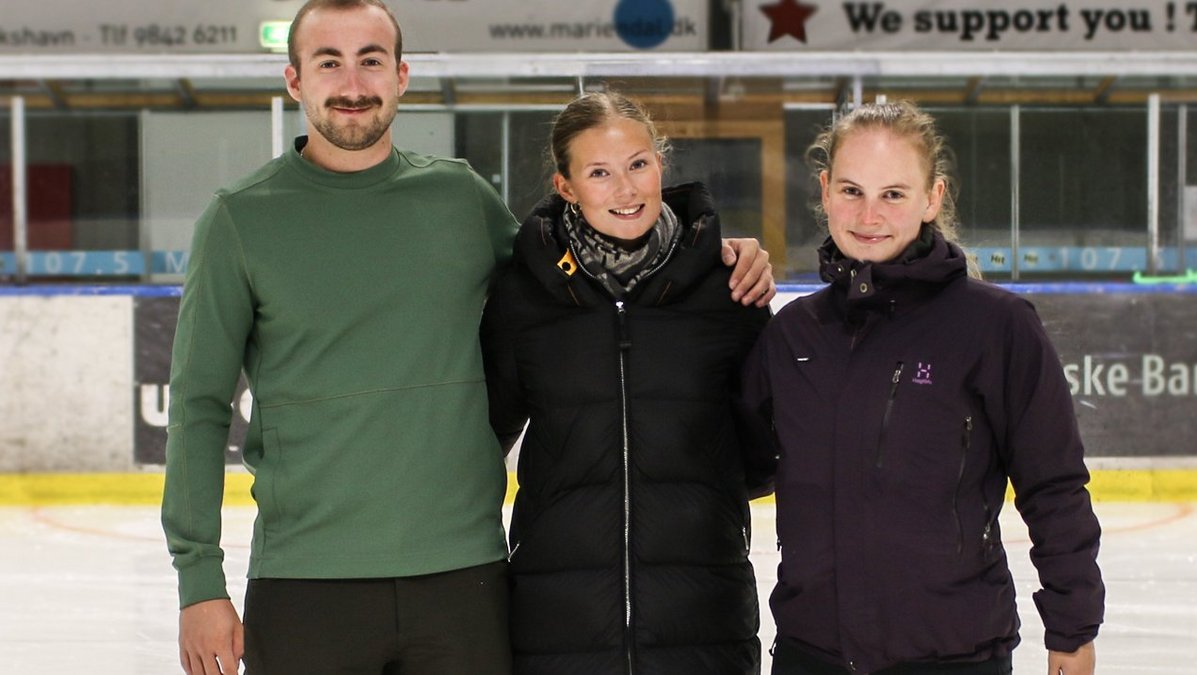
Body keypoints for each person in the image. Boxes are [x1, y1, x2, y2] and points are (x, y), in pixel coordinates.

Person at [161, 2, 776, 674]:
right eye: (328, 62)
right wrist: (199, 580)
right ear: (293, 80)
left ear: (401, 76)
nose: (353, 83)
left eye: (370, 60)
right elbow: (197, 405)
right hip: (305, 580)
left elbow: (583, 279)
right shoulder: (239, 220)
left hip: (463, 581)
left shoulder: (458, 197)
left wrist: (708, 253)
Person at [740, 101, 1104, 675]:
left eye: (893, 194)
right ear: (825, 190)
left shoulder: (994, 326)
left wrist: (1073, 629)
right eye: (852, 190)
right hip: (812, 655)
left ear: (932, 198)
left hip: (953, 654)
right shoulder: (794, 334)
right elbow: (740, 465)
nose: (868, 214)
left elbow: (1053, 486)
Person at [481, 91, 776, 674]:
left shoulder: (728, 288)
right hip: (559, 623)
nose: (626, 189)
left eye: (639, 164)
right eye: (599, 173)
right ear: (565, 186)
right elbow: (481, 437)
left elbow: (761, 457)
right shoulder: (525, 295)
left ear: (661, 165)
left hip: (702, 619)